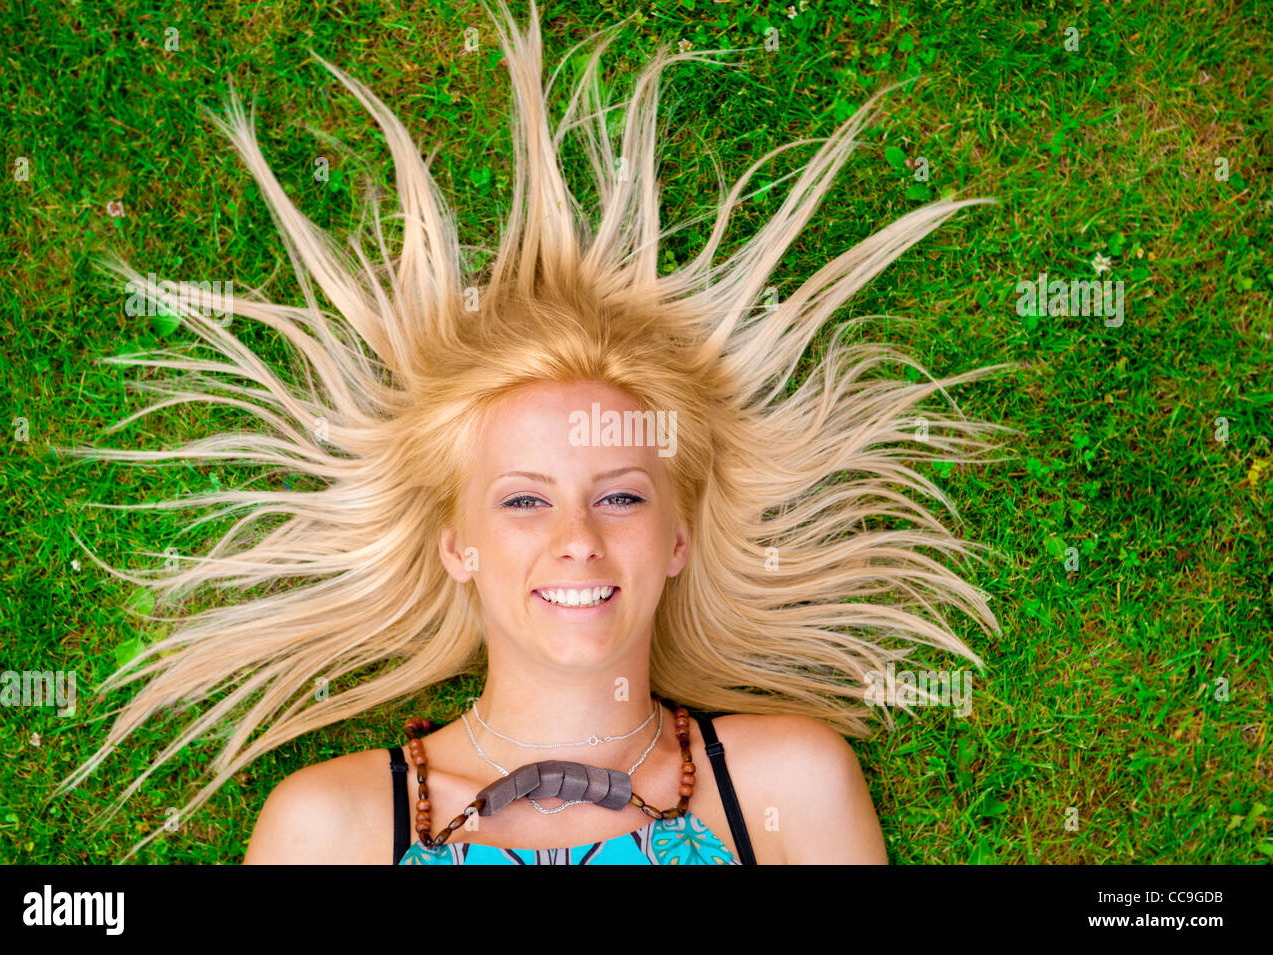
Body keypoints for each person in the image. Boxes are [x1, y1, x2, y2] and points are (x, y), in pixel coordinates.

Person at [61, 0, 1012, 864]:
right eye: (524, 498)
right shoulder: (331, 825)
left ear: (677, 538)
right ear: (456, 545)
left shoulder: (787, 784)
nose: (577, 537)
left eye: (621, 495)